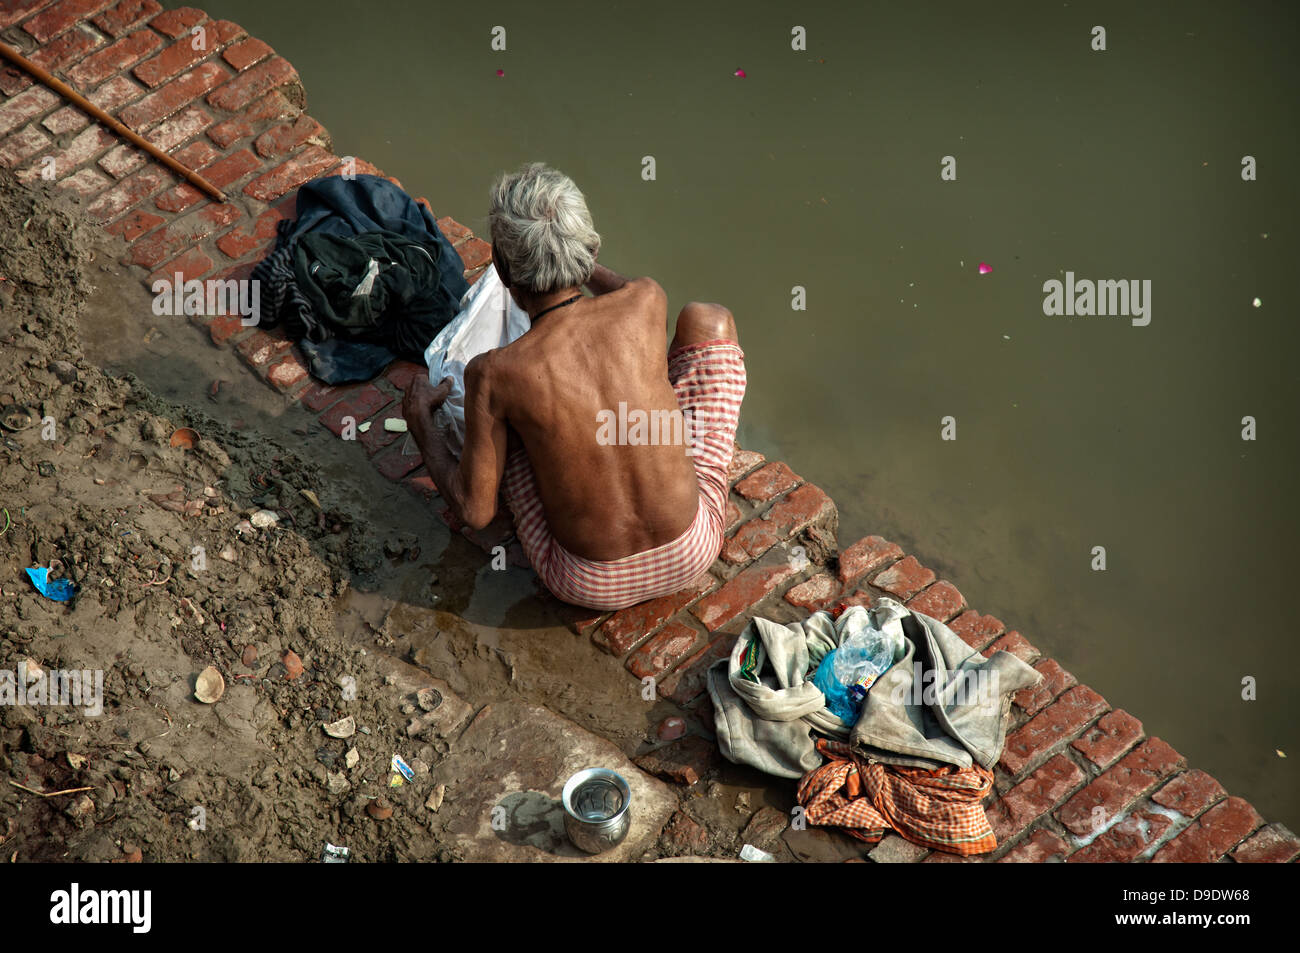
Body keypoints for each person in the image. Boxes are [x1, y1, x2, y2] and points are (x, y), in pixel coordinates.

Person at [404, 162, 746, 611]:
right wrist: (572, 258)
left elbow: (475, 511)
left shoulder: (493, 373)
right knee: (708, 319)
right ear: (590, 249)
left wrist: (422, 425)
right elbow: (621, 287)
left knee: (512, 429)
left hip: (587, 582)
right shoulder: (646, 299)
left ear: (503, 273)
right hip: (691, 551)